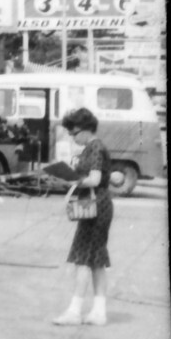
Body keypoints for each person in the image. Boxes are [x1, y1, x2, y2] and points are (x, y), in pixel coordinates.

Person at [53, 107, 114, 326]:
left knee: (83, 258)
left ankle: (74, 311)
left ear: (86, 129)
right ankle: (99, 312)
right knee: (96, 259)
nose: (72, 137)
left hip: (95, 205)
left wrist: (73, 180)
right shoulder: (92, 147)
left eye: (74, 132)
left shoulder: (95, 148)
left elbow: (95, 179)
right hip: (97, 204)